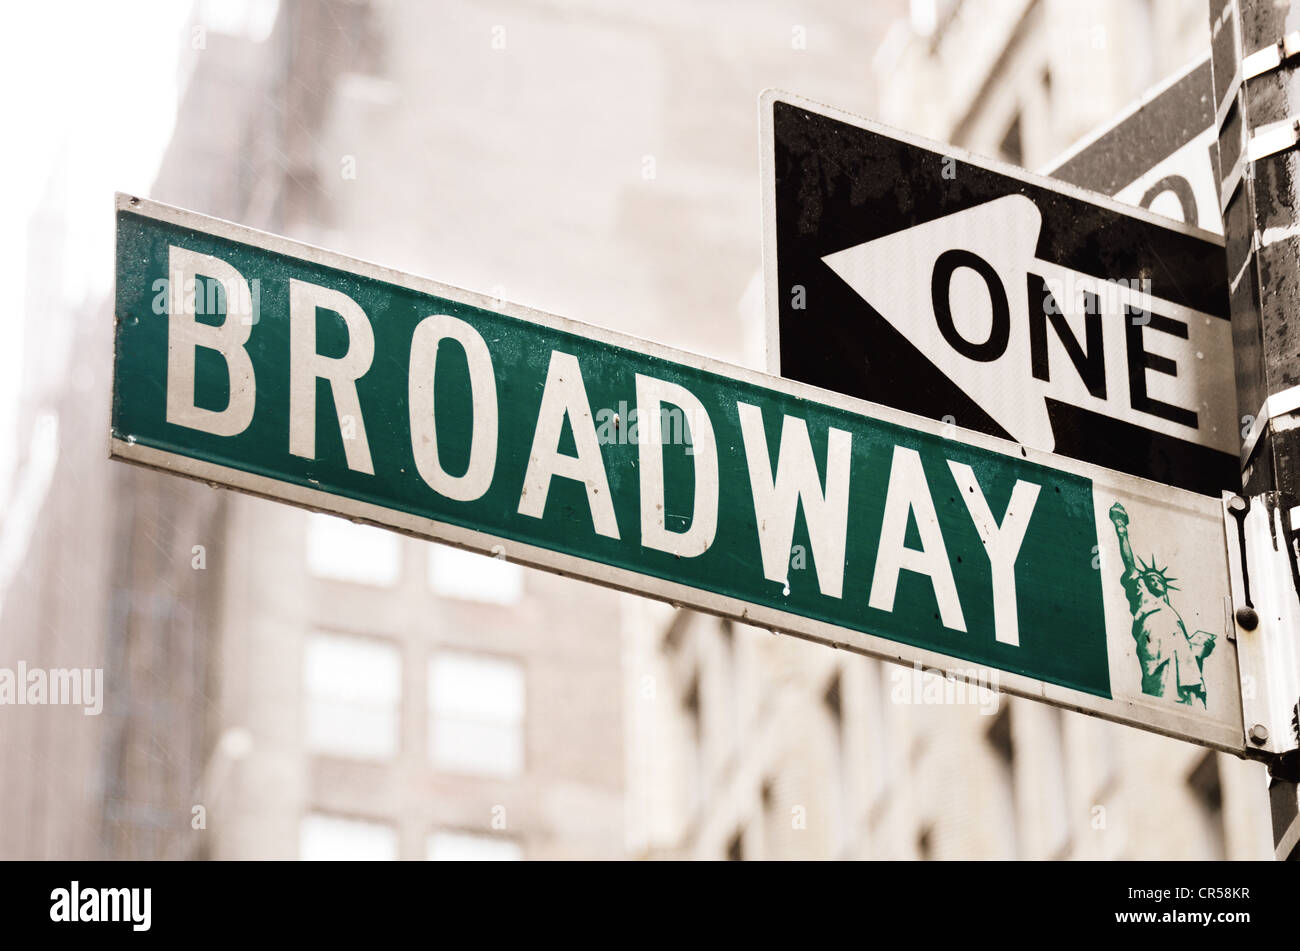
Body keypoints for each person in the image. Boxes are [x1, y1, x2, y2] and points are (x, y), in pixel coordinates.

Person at [1108, 502, 1214, 707]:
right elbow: (1129, 564)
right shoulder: (1141, 594)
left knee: (1187, 694)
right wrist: (1121, 529)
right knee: (1160, 687)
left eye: (1160, 580)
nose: (1156, 581)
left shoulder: (1171, 611)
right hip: (1153, 640)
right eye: (1151, 578)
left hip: (1180, 649)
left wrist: (1198, 647)